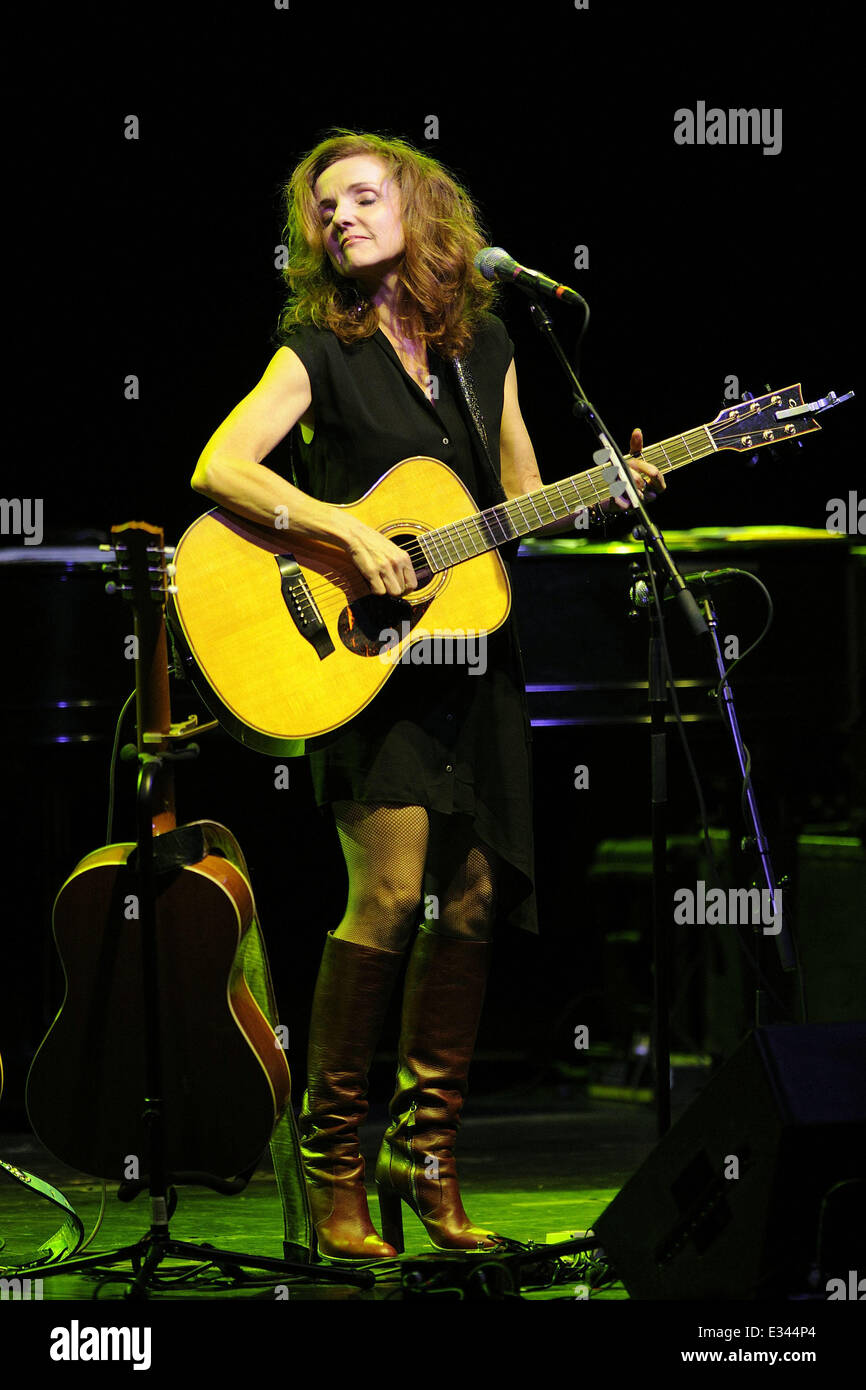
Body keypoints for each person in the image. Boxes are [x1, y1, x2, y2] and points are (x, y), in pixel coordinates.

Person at [190, 129, 663, 1261]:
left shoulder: (490, 341)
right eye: (322, 208)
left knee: (477, 899)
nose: (337, 218)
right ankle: (333, 1168)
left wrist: (615, 490)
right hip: (359, 659)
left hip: (472, 660)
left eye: (360, 196)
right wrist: (348, 526)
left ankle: (428, 1158)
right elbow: (220, 467)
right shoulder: (316, 346)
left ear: (422, 211)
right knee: (390, 899)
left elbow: (519, 499)